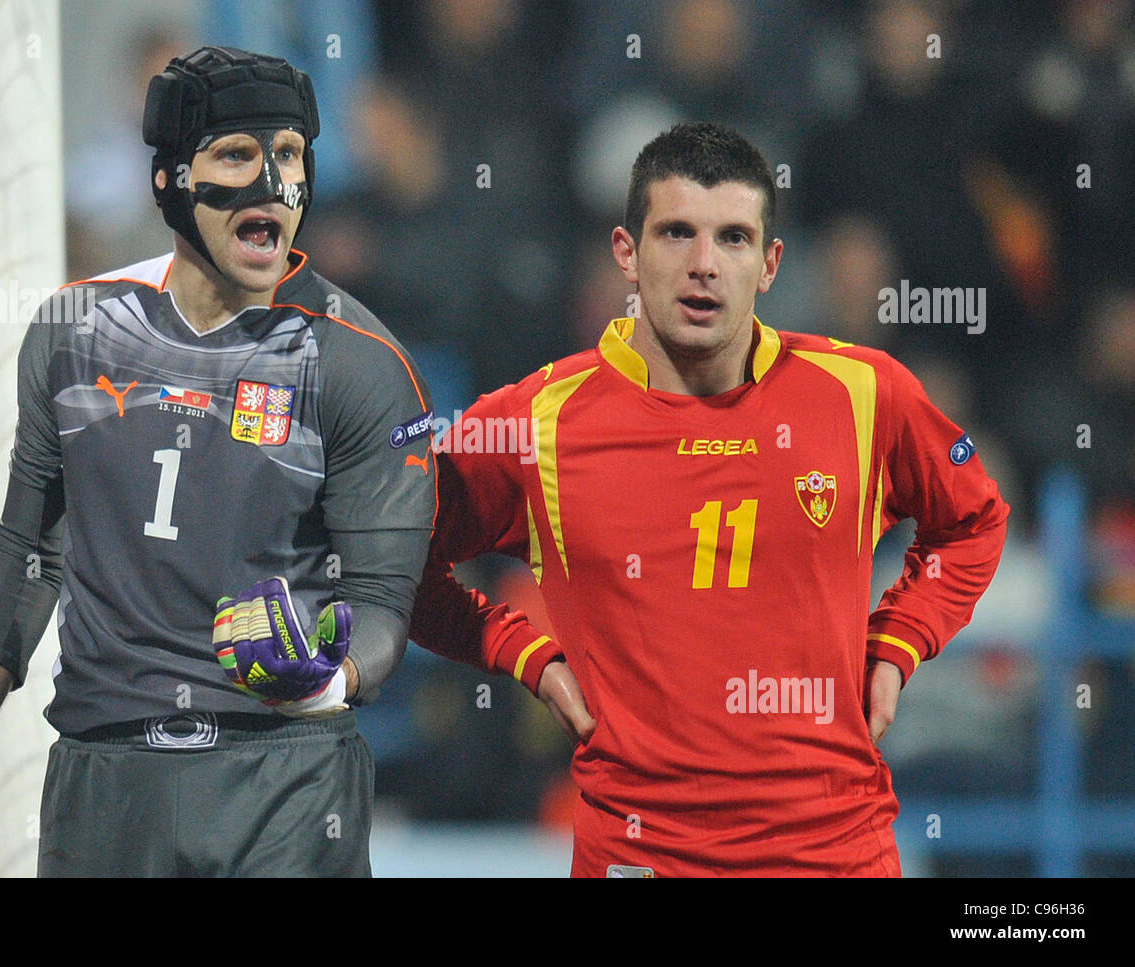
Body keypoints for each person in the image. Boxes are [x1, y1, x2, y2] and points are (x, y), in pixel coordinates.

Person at [0, 47, 437, 876]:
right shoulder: (74, 332)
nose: (272, 187)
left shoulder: (360, 362)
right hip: (103, 780)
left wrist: (324, 676)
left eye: (289, 155)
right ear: (170, 181)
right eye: (237, 156)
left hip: (286, 776)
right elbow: (30, 551)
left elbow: (386, 599)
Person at [411, 122, 1009, 877]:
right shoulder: (538, 421)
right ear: (626, 252)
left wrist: (897, 642)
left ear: (769, 263)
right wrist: (518, 652)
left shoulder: (864, 395)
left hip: (831, 852)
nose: (703, 266)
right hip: (640, 855)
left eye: (732, 238)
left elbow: (974, 520)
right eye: (676, 234)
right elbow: (391, 557)